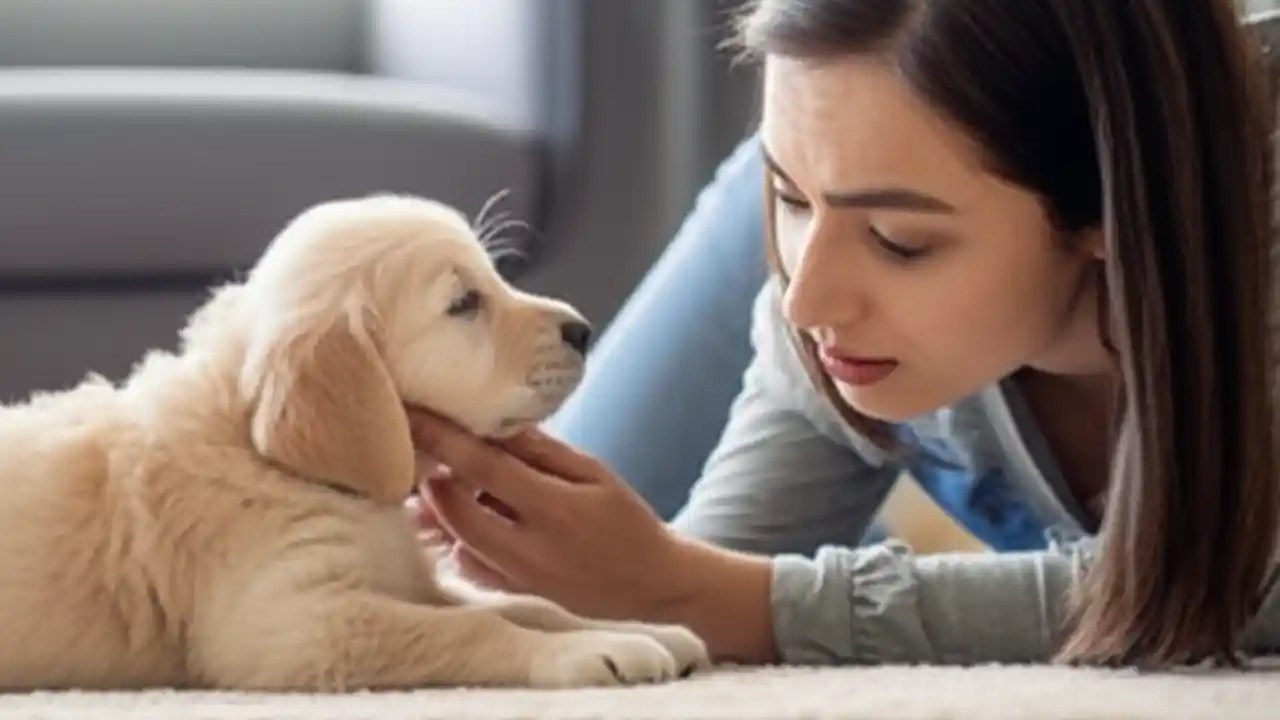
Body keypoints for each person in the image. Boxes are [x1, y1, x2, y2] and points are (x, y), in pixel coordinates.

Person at [406, 0, 1280, 668]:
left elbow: (1235, 589)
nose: (804, 300)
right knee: (534, 547)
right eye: (788, 198)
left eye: (901, 242)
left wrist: (735, 597)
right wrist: (660, 582)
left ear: (1109, 208)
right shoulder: (823, 267)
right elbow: (691, 585)